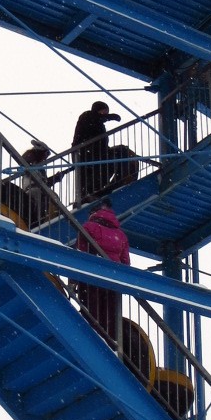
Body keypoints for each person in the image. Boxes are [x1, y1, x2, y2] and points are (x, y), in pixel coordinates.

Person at [76, 198, 129, 347]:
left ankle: (91, 341)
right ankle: (111, 343)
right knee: (111, 314)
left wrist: (74, 278)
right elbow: (125, 262)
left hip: (91, 276)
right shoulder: (121, 235)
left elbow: (81, 252)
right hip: (113, 281)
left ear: (94, 212)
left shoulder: (89, 227)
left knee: (91, 311)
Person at [71, 100, 119, 203]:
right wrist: (110, 117)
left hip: (89, 153)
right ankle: (87, 193)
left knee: (92, 173)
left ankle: (88, 193)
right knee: (95, 172)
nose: (105, 114)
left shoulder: (95, 119)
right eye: (104, 111)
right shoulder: (88, 116)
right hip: (85, 153)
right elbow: (94, 120)